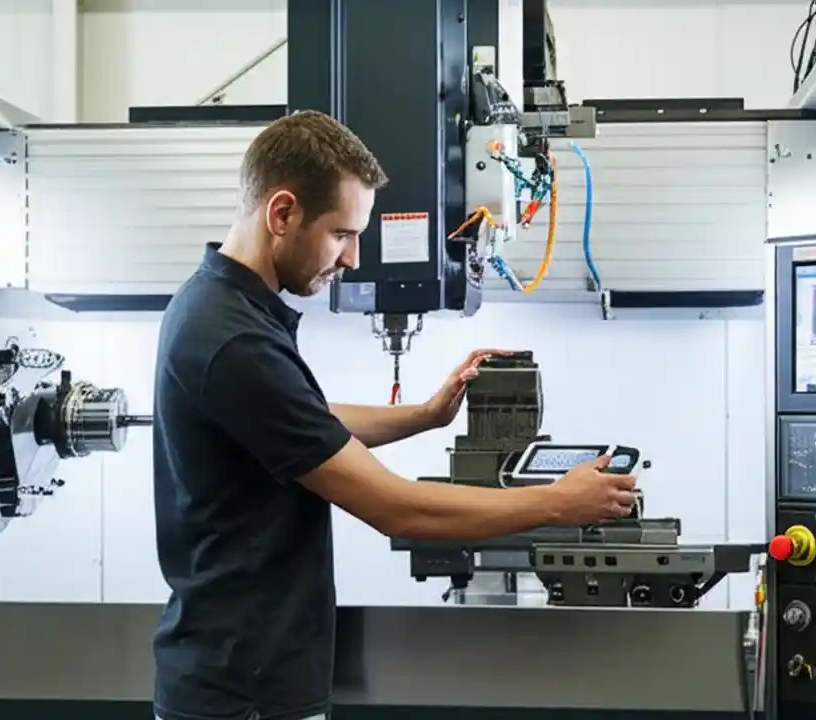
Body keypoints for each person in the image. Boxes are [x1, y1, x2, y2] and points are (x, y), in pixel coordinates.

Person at [151, 110, 638, 720]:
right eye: (342, 234)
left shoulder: (218, 306)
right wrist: (557, 503)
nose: (353, 259)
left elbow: (302, 421)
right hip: (244, 694)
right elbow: (397, 509)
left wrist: (426, 415)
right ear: (282, 213)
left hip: (242, 676)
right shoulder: (233, 340)